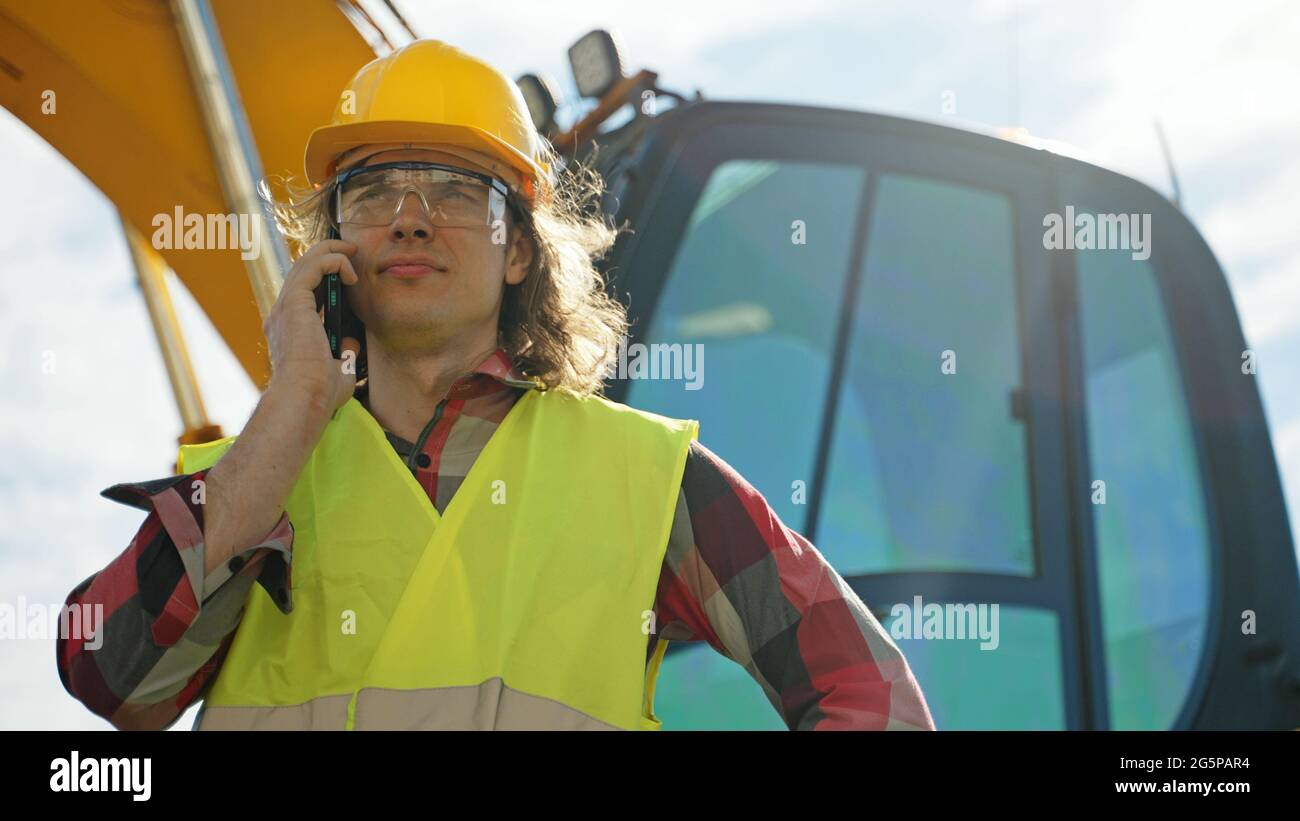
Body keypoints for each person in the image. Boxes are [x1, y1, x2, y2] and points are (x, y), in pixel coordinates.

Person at [57, 39, 934, 731]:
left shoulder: (648, 482)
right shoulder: (251, 480)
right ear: (332, 248)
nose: (408, 215)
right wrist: (290, 404)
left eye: (452, 189)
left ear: (519, 248)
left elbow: (871, 694)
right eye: (372, 192)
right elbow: (110, 679)